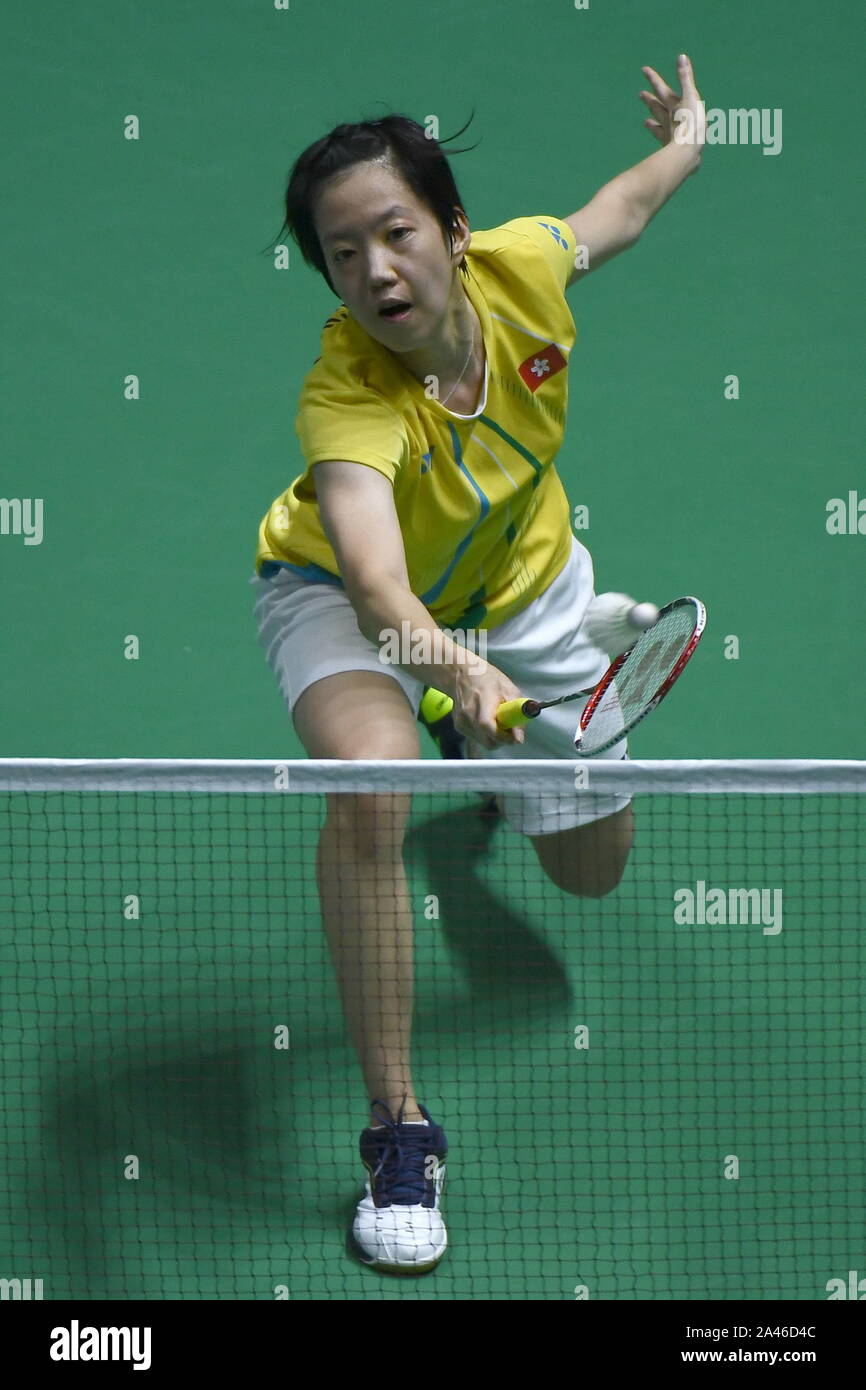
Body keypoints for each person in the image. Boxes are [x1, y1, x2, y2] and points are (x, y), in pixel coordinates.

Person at [251, 60, 704, 1275]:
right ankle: (398, 1129)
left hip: (525, 582)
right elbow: (382, 592)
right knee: (370, 782)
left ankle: (490, 736)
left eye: (394, 234)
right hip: (347, 606)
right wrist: (456, 674)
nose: (375, 271)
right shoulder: (345, 396)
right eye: (341, 255)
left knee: (590, 874)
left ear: (451, 232)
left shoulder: (518, 268)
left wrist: (688, 142)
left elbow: (622, 208)